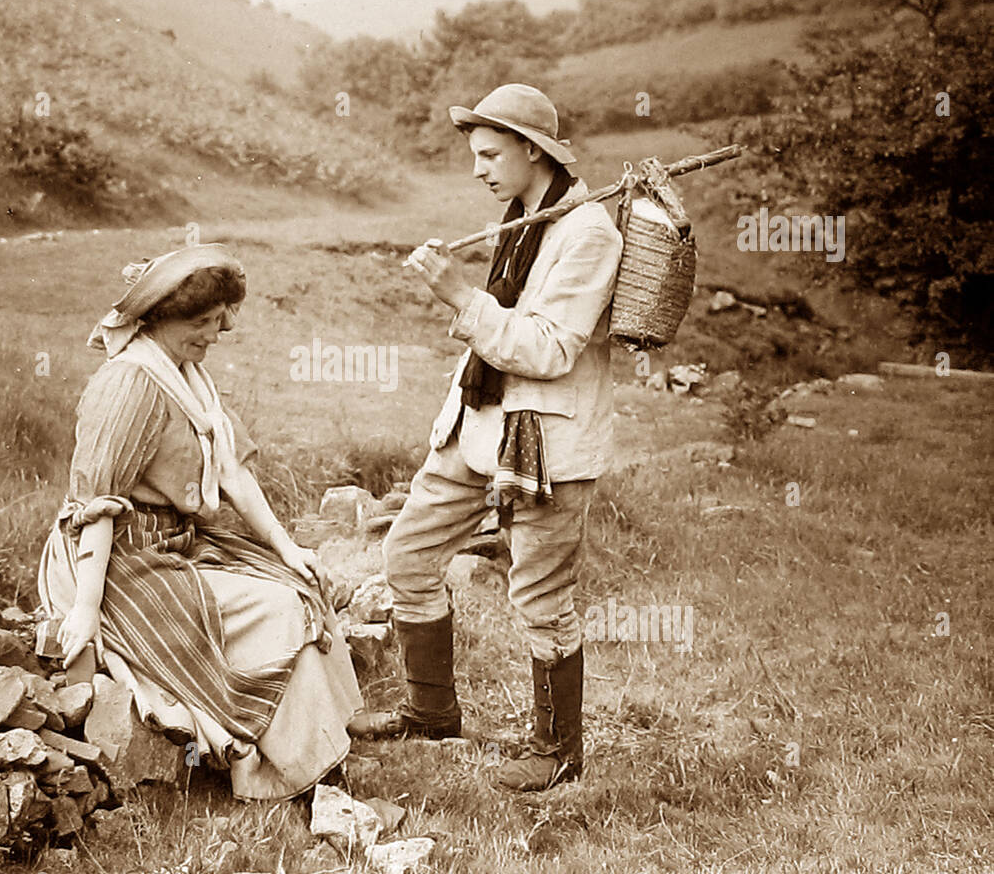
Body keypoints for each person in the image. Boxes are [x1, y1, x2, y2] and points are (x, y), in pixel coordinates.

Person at [349, 84, 624, 792]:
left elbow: (552, 349)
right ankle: (431, 709)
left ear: (534, 150)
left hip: (543, 442)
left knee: (540, 594)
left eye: (490, 154)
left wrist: (457, 295)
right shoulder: (523, 217)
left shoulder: (588, 230)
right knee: (406, 555)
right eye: (475, 156)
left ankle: (557, 748)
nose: (478, 169)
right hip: (478, 425)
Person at [37, 244, 362, 801]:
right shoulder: (131, 385)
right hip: (118, 561)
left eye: (219, 321)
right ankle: (286, 774)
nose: (216, 333)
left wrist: (287, 548)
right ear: (163, 319)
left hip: (176, 545)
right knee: (280, 610)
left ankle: (325, 748)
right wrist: (85, 611)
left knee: (300, 585)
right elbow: (97, 504)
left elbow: (232, 472)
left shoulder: (188, 376)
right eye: (203, 322)